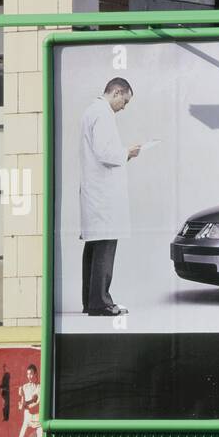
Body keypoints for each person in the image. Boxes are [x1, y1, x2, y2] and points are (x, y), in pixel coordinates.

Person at [80, 77, 140, 317]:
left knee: (94, 247)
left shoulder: (90, 111)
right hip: (103, 193)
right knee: (105, 244)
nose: (123, 107)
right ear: (116, 92)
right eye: (124, 101)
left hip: (94, 190)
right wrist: (128, 152)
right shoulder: (103, 114)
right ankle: (102, 303)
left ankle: (91, 301)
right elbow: (105, 153)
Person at [9, 363, 42, 437]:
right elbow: (21, 406)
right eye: (27, 374)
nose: (29, 376)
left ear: (36, 374)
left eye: (31, 373)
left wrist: (25, 403)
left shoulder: (40, 387)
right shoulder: (24, 387)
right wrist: (20, 404)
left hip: (38, 421)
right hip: (27, 420)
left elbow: (35, 403)